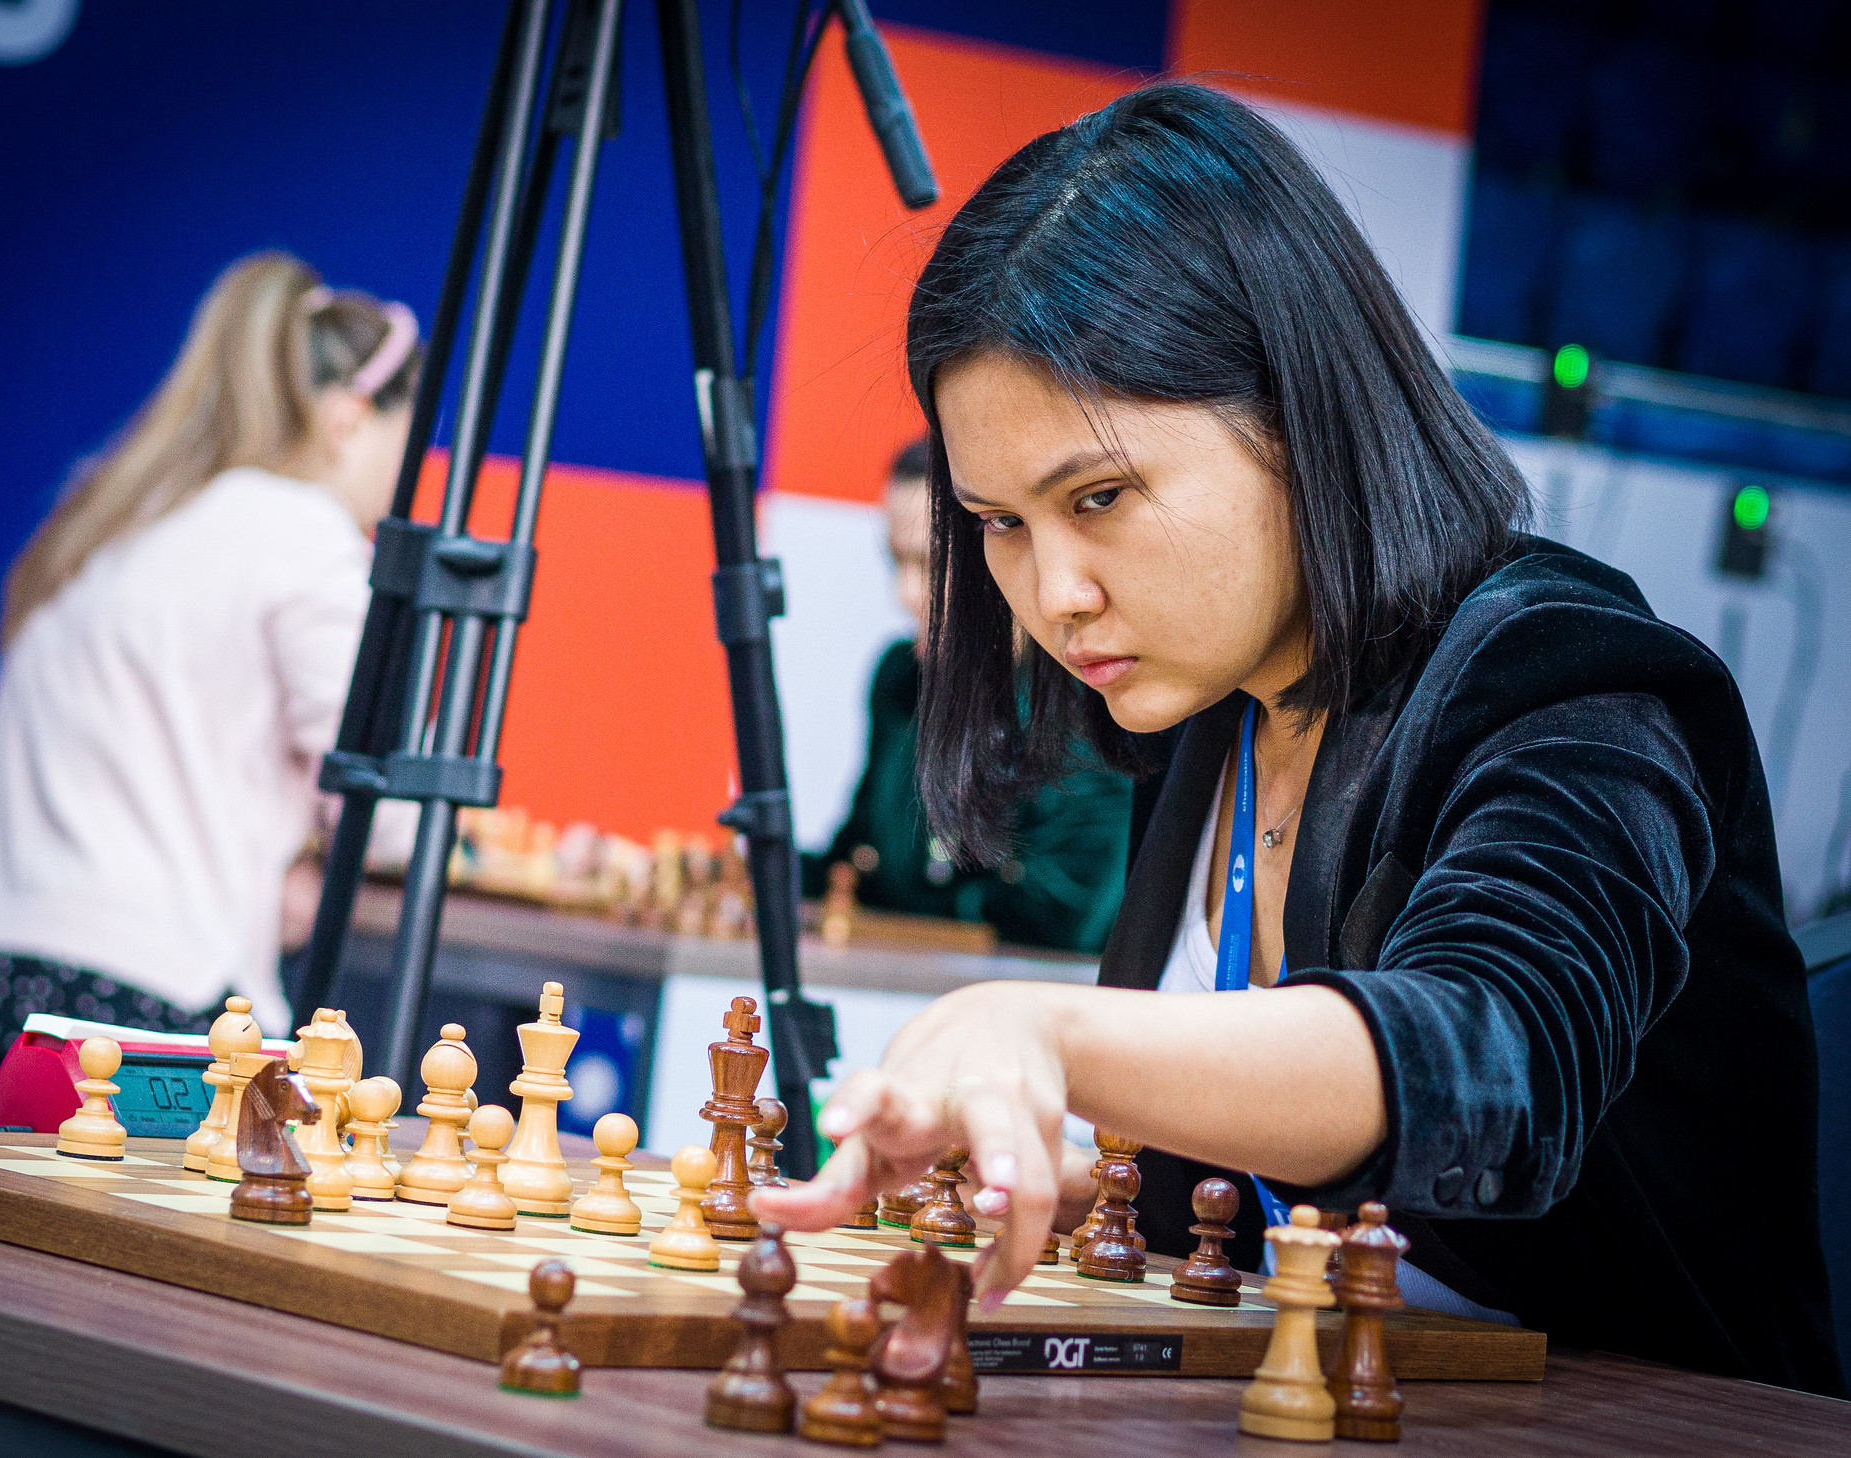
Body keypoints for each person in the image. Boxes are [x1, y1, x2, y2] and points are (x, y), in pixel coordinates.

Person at [754, 83, 1844, 1394]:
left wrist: (1049, 1035)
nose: (1051, 596)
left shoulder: (1571, 676)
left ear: (1294, 412)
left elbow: (1490, 1060)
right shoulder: (1199, 711)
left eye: (1097, 497)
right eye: (999, 523)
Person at [0, 253, 421, 1096]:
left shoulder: (108, 522)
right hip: (135, 1023)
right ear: (347, 418)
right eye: (403, 446)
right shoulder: (304, 533)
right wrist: (303, 845)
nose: (399, 481)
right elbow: (390, 812)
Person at [800, 440, 1129, 953]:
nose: (905, 595)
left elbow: (1061, 923)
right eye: (895, 563)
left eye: (930, 566)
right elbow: (854, 865)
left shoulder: (1086, 694)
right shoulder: (901, 681)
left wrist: (909, 902)